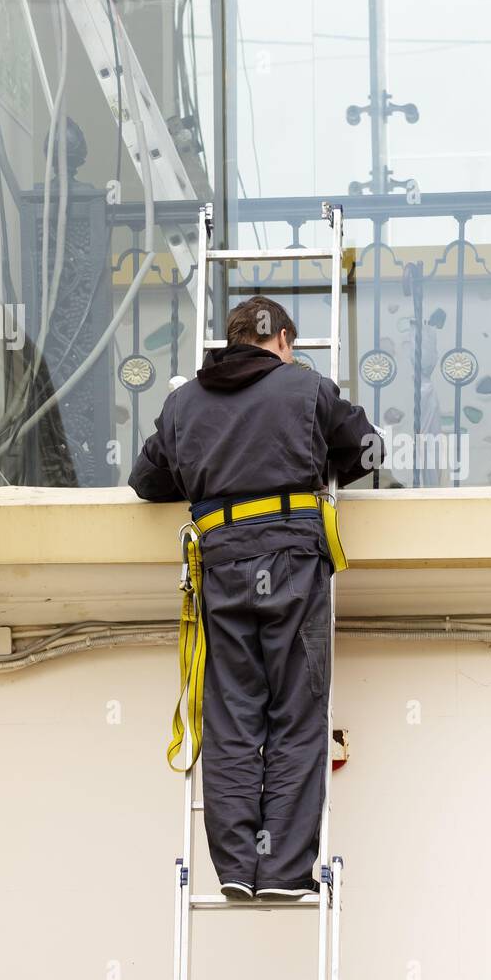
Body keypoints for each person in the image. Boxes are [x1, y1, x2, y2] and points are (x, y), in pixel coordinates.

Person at [128, 294, 384, 901]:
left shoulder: (183, 401)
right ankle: (285, 870)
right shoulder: (305, 388)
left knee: (233, 716)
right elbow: (369, 450)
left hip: (221, 569)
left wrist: (209, 468)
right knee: (295, 714)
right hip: (292, 566)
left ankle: (239, 867)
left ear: (233, 338)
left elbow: (146, 483)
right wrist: (319, 464)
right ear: (284, 340)